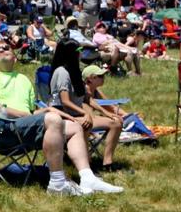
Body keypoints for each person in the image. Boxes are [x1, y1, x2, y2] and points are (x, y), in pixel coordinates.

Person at [0, 38, 120, 196]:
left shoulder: (23, 80)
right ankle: (57, 183)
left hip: (22, 130)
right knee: (53, 119)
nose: (1, 49)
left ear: (15, 57)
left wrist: (44, 112)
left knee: (74, 126)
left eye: (6, 47)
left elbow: (32, 113)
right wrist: (31, 115)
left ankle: (87, 177)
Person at [50, 40, 125, 173]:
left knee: (117, 122)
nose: (82, 53)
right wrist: (86, 114)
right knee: (86, 124)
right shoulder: (62, 72)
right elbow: (65, 101)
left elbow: (87, 98)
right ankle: (86, 165)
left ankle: (107, 163)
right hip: (63, 116)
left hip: (78, 115)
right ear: (70, 53)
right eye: (79, 50)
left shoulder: (74, 70)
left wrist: (106, 113)